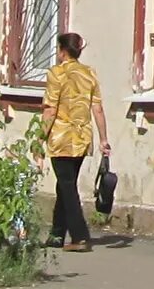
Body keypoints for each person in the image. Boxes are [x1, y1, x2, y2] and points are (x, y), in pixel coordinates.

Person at [37, 31, 110, 252]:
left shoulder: (56, 74)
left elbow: (50, 109)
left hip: (60, 137)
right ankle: (57, 234)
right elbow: (97, 108)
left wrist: (39, 139)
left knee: (67, 186)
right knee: (65, 184)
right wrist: (104, 139)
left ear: (61, 51)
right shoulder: (89, 73)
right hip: (82, 137)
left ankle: (80, 236)